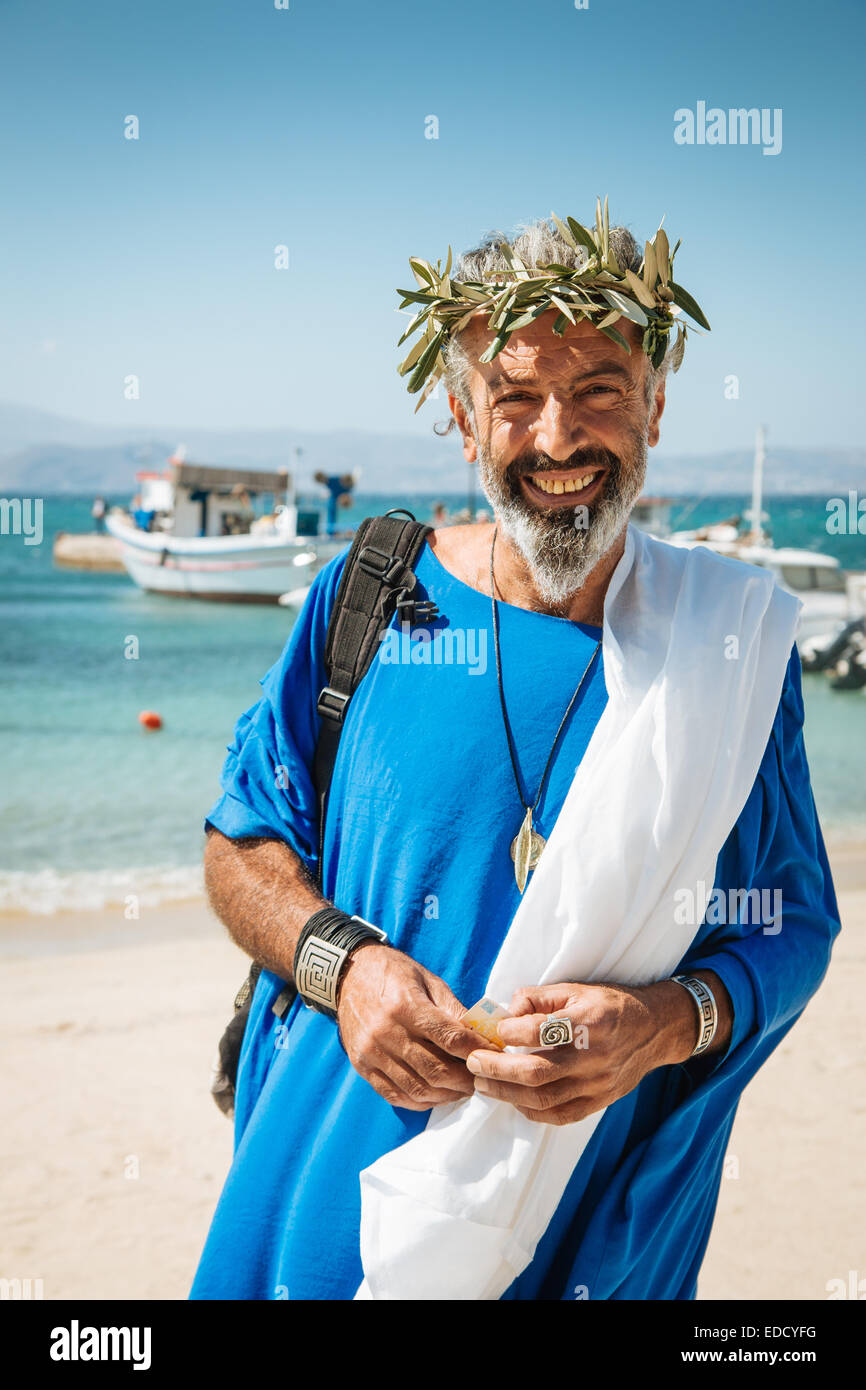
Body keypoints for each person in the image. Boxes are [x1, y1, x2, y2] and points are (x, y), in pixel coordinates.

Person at [191, 208, 839, 1301]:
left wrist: (658, 1024)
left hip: (588, 1239)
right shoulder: (369, 596)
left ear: (655, 404)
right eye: (515, 397)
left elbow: (791, 922)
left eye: (597, 389)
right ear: (459, 415)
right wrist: (342, 968)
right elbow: (239, 844)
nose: (556, 439)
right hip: (317, 1205)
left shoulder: (730, 644)